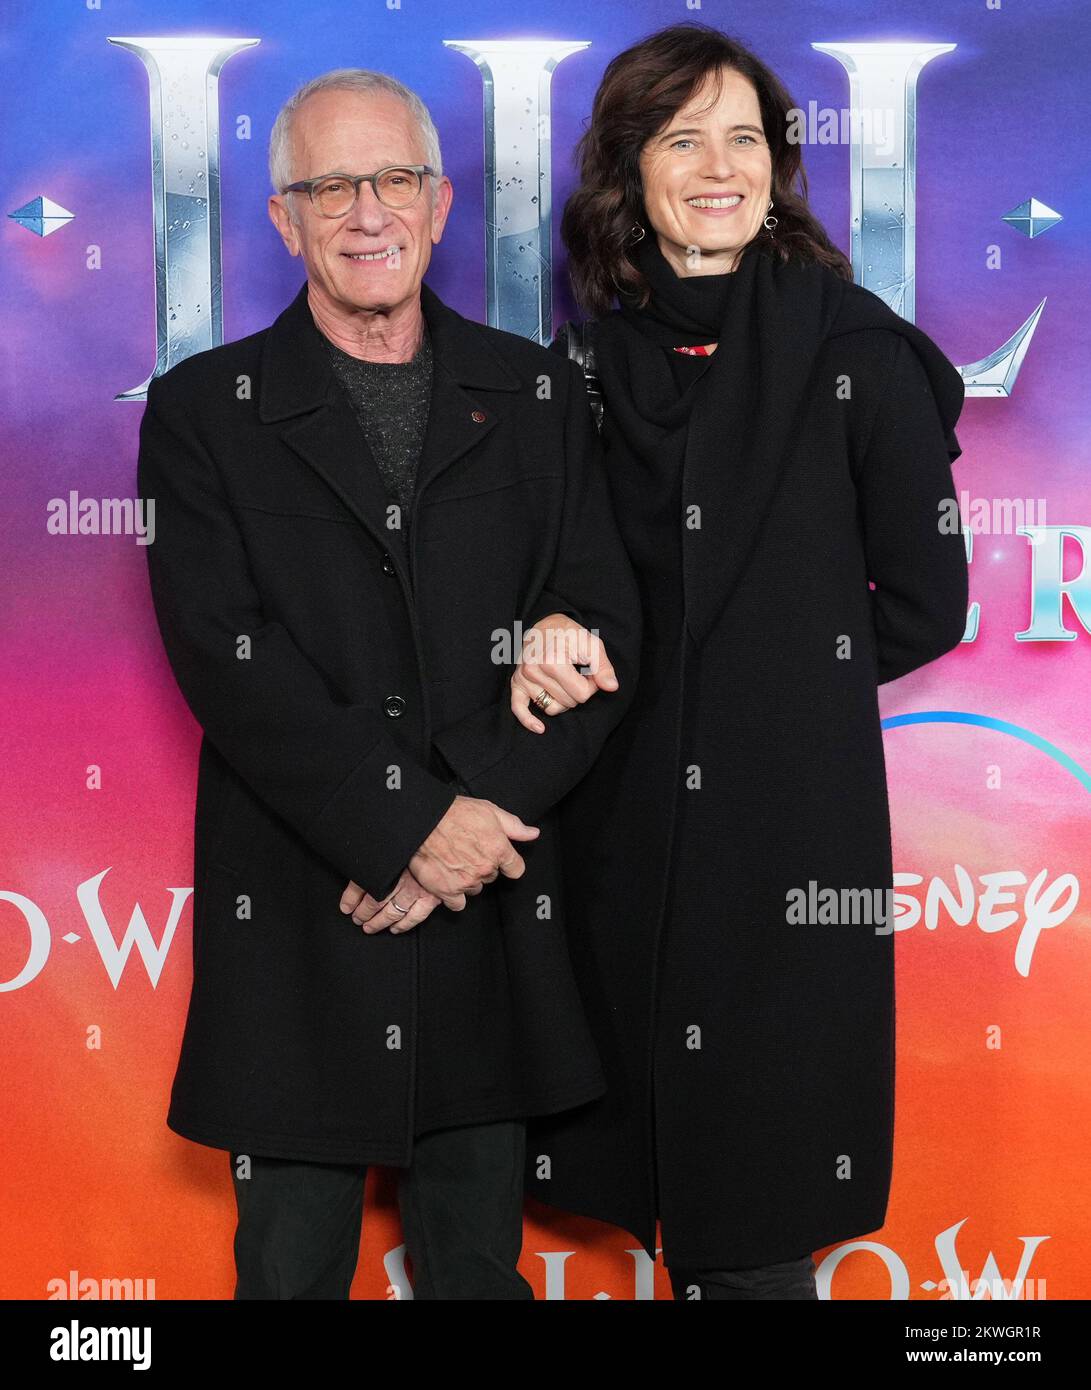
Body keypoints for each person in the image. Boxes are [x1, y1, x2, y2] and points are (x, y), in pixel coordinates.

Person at [136, 67, 641, 1300]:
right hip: (309, 908)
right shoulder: (203, 410)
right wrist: (409, 826)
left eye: (394, 178)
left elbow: (598, 632)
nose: (367, 211)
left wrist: (461, 825)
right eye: (327, 185)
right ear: (281, 218)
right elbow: (226, 657)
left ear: (440, 197)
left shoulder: (533, 393)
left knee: (477, 1270)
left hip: (487, 913)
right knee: (290, 1273)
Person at [515, 24, 969, 1301]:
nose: (717, 167)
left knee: (758, 1201)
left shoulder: (859, 356)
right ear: (626, 170)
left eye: (743, 138)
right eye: (679, 138)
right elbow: (558, 593)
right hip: (613, 827)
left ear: (778, 163)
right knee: (637, 1153)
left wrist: (767, 694)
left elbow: (927, 605)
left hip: (787, 835)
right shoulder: (584, 371)